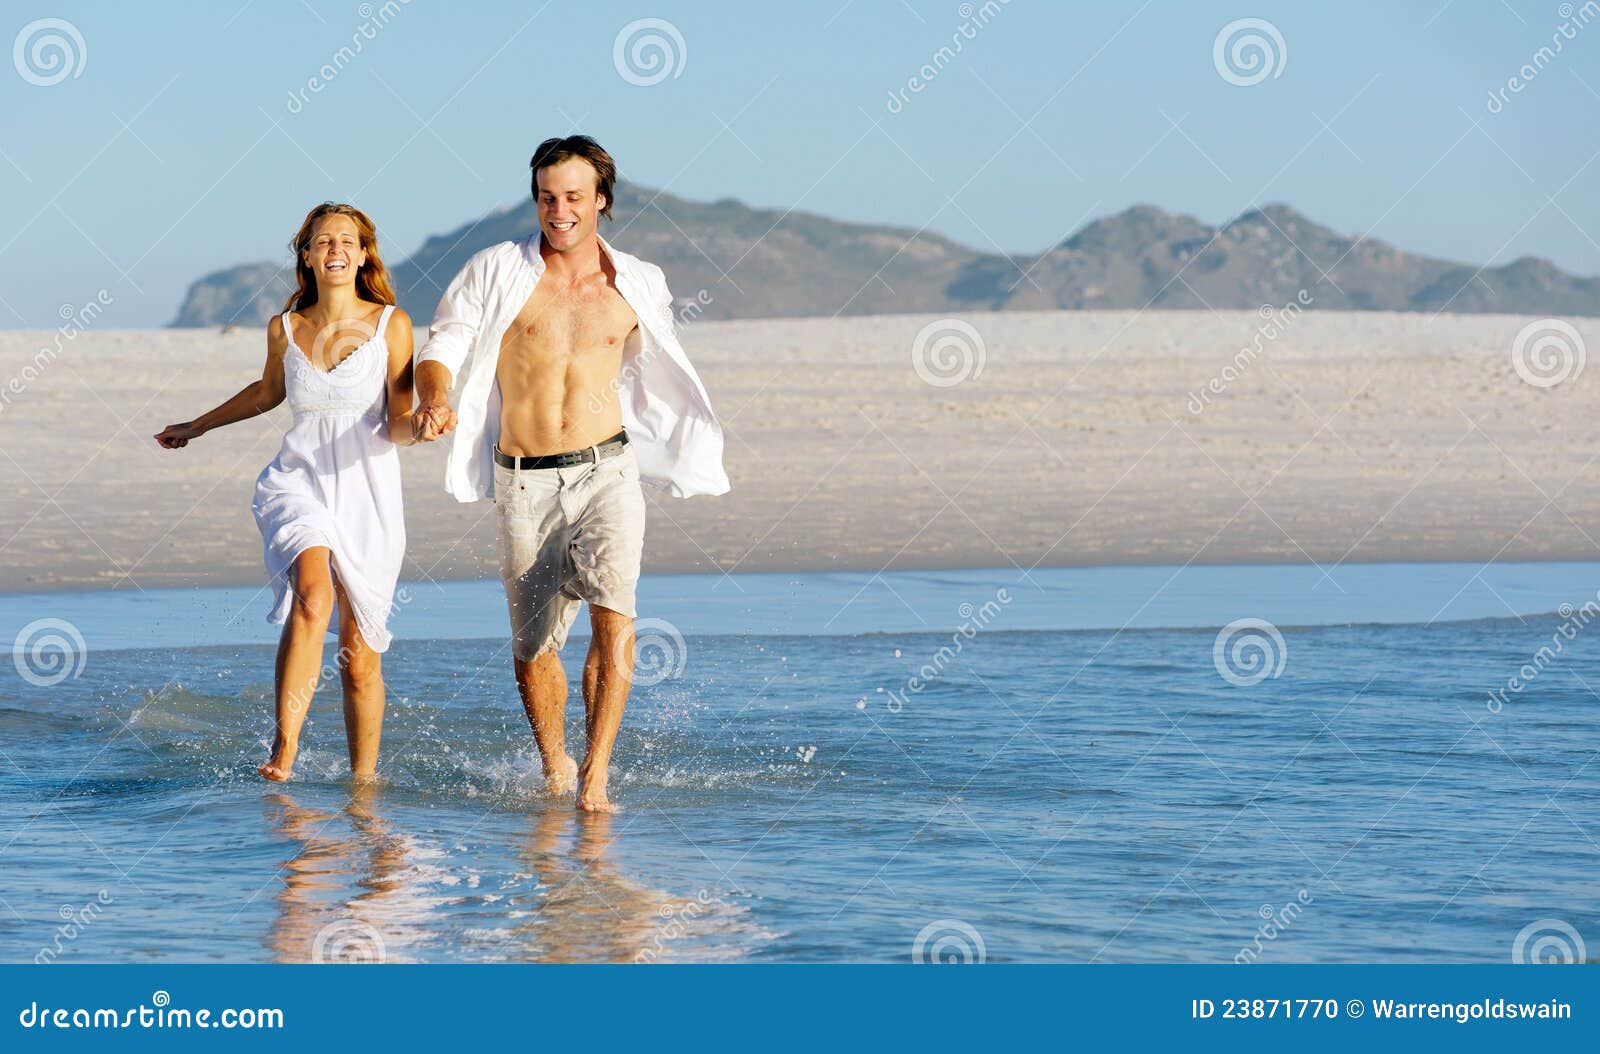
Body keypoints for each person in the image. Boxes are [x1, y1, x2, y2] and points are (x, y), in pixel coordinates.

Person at [412, 135, 728, 813]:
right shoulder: (497, 270)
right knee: (533, 646)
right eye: (548, 197)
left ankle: (595, 776)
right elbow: (444, 342)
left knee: (616, 617)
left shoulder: (636, 282)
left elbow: (655, 365)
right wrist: (434, 396)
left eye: (575, 197)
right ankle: (555, 763)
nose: (560, 211)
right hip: (524, 478)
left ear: (601, 201)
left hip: (608, 468)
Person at [156, 203, 415, 782]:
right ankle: (284, 752)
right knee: (312, 597)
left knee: (359, 658)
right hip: (297, 482)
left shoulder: (391, 323)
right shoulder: (285, 327)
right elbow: (266, 391)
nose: (336, 251)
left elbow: (399, 419)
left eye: (347, 241)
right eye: (323, 242)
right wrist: (196, 426)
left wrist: (420, 426)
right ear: (306, 254)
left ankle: (363, 781)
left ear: (365, 251)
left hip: (368, 491)